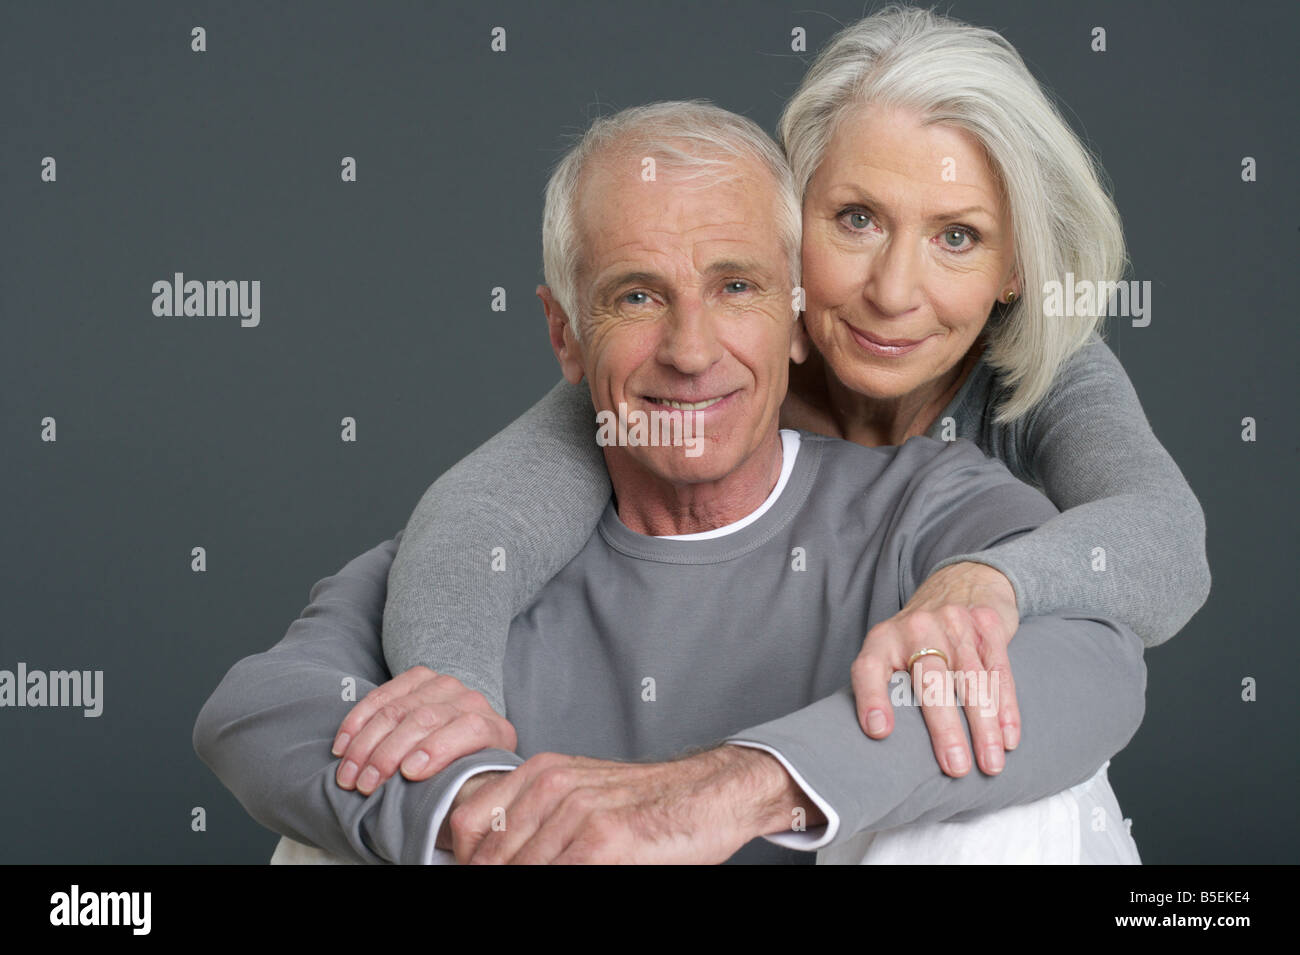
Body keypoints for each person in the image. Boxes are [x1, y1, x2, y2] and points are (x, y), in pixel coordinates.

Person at [194, 100, 1145, 865]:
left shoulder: (932, 506)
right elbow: (261, 707)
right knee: (347, 822)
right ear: (565, 334)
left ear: (799, 319)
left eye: (737, 287)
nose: (691, 351)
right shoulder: (491, 548)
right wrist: (487, 810)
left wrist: (718, 792)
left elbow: (1096, 667)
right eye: (637, 296)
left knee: (1009, 799)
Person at [377, 6, 1208, 788]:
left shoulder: (1043, 365)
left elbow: (1167, 540)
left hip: (927, 766)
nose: (892, 291)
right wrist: (450, 706)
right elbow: (480, 521)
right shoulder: (719, 365)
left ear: (1015, 268)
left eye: (957, 237)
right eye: (856, 219)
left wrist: (990, 581)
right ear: (789, 221)